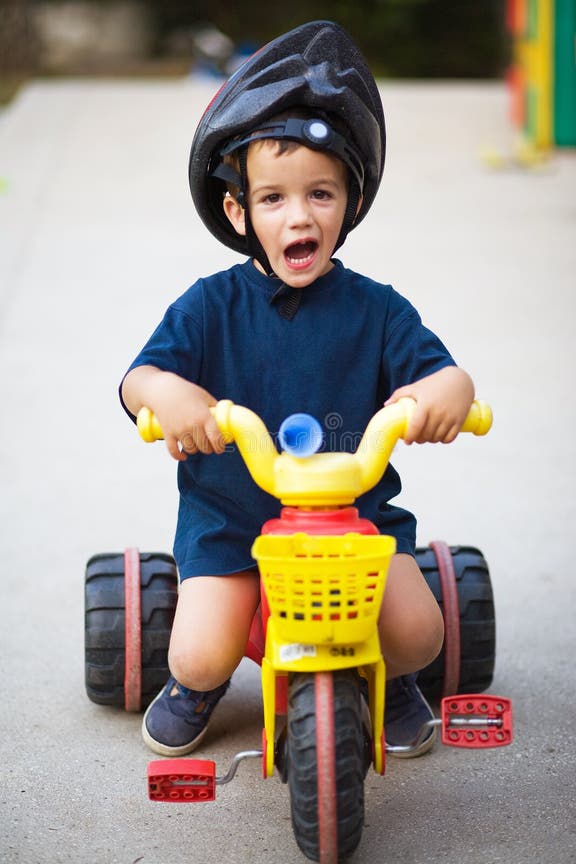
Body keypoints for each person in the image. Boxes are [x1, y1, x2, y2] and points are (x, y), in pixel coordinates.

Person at [120, 21, 474, 759]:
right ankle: (196, 688)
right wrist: (167, 395)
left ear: (348, 203)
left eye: (320, 192)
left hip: (355, 522)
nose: (300, 215)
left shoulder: (377, 309)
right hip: (233, 526)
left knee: (419, 635)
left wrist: (446, 393)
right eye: (274, 199)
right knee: (200, 652)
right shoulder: (208, 306)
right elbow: (138, 379)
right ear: (239, 213)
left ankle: (387, 675)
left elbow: (441, 372)